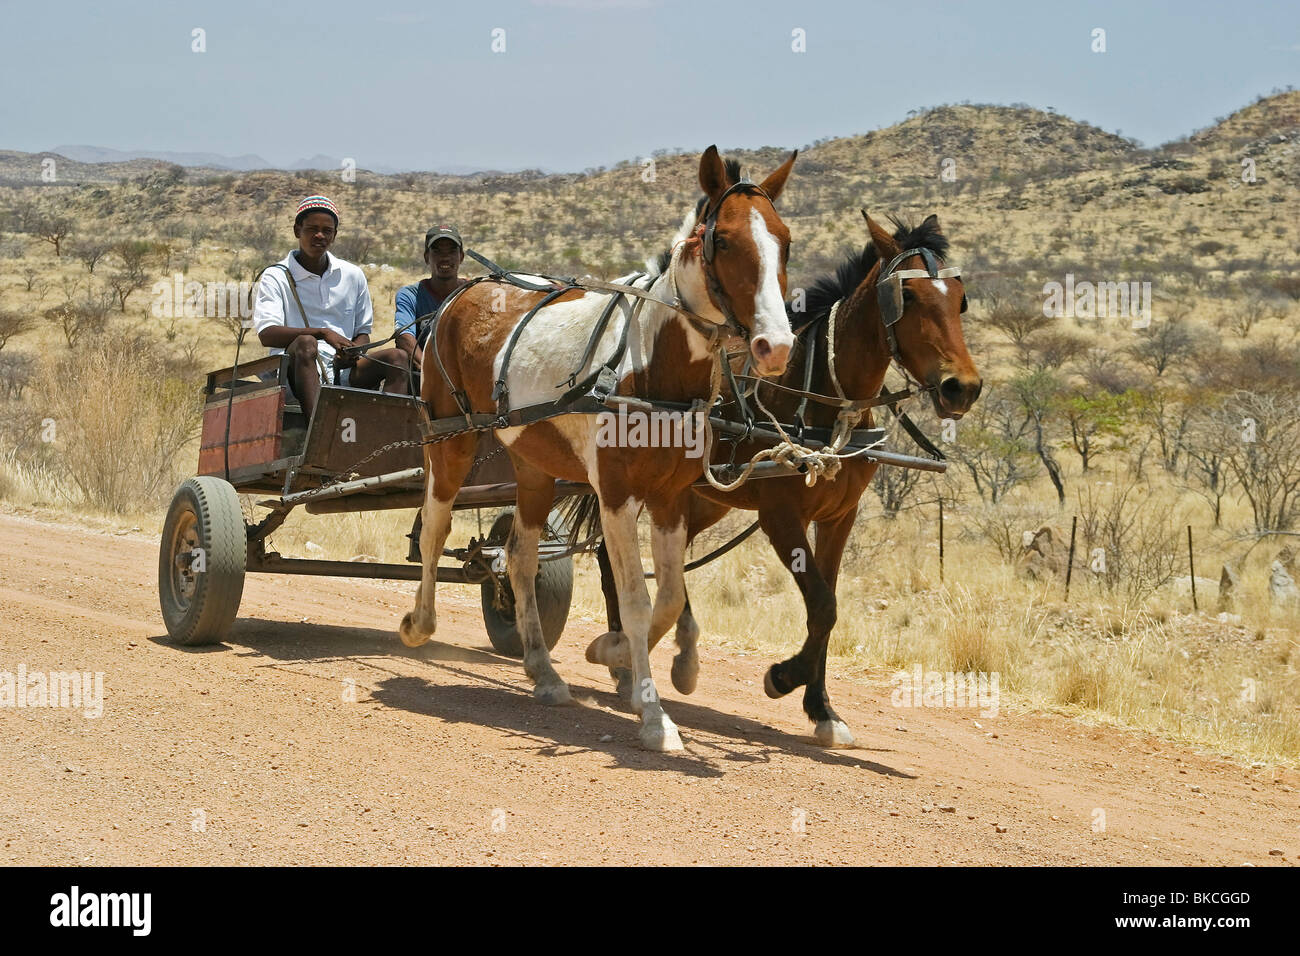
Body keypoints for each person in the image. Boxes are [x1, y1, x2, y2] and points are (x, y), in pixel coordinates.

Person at [252, 195, 411, 419]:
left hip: (342, 369)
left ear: (334, 235)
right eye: (312, 229)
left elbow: (362, 332)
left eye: (327, 230)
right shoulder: (277, 275)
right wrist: (323, 333)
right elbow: (267, 334)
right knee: (306, 344)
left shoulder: (352, 275)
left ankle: (385, 434)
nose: (320, 236)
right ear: (297, 230)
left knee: (398, 358)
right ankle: (320, 431)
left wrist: (353, 351)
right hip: (295, 373)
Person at [395, 224, 470, 370]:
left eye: (451, 251)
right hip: (424, 378)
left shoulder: (474, 293)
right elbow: (404, 337)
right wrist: (431, 371)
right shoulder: (410, 295)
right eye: (437, 251)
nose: (445, 257)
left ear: (461, 257)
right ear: (426, 257)